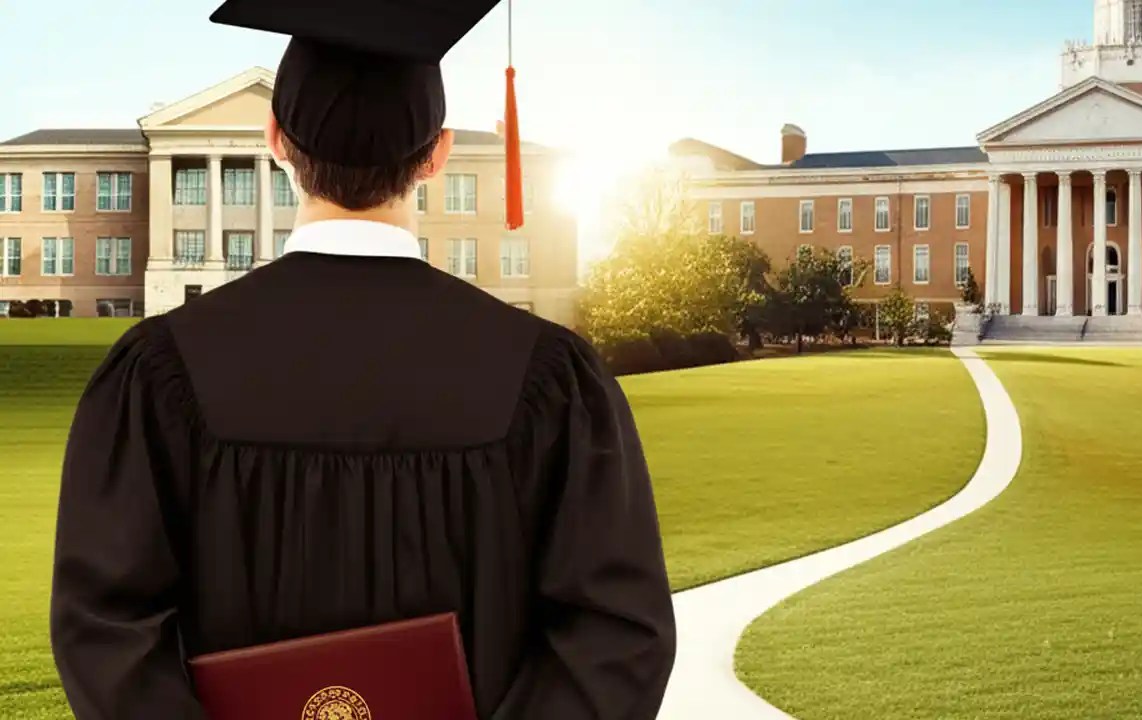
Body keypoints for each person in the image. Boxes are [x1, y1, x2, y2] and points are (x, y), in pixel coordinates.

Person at [48, 1, 677, 717]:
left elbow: (105, 632)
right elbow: (617, 639)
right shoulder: (549, 377)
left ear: (276, 140)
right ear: (438, 154)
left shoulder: (159, 372)